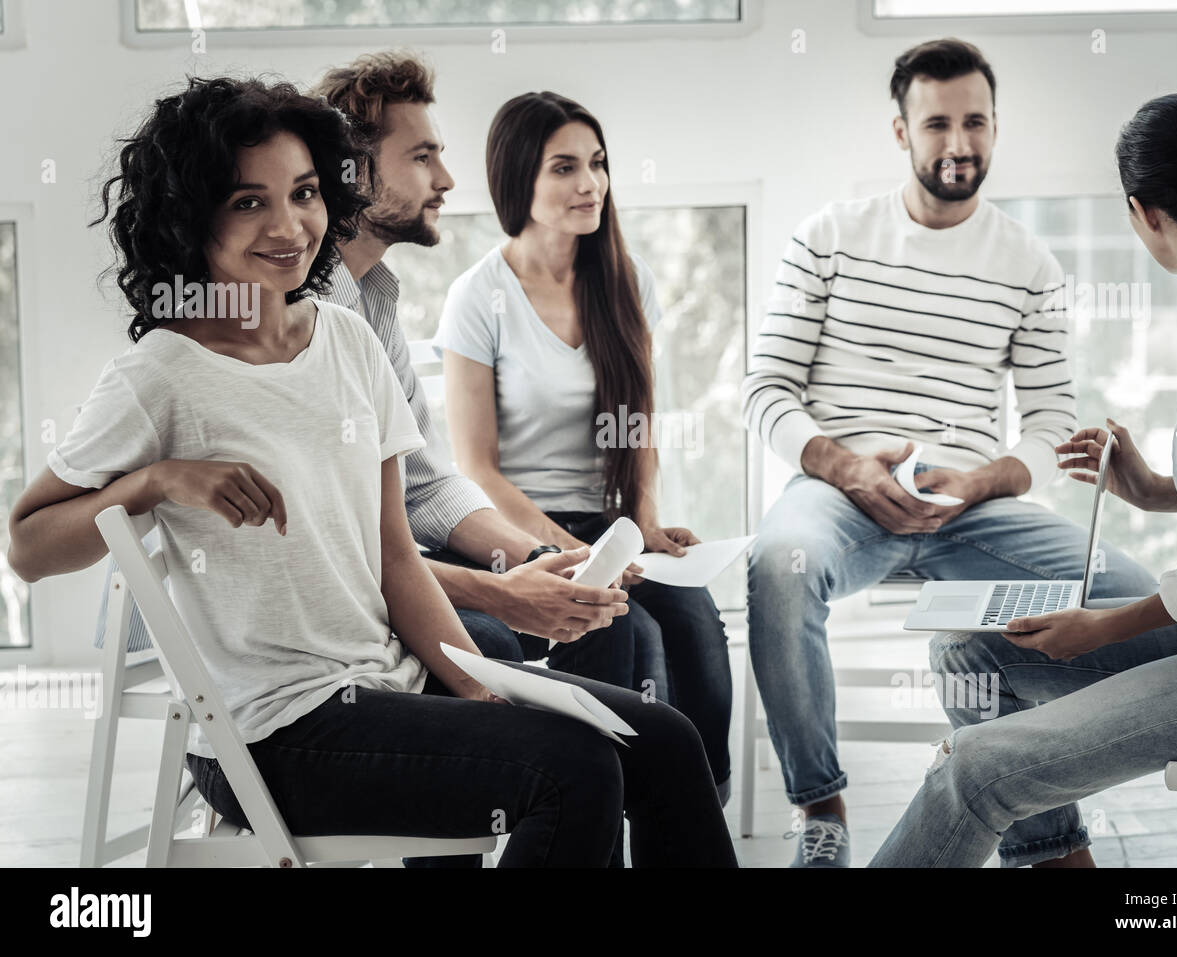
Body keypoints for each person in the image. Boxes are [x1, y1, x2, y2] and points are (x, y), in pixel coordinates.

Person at [6, 75, 737, 868]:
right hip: (274, 731)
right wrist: (154, 482)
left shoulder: (347, 341)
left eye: (306, 193)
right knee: (574, 770)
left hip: (390, 682)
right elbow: (28, 546)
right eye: (250, 202)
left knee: (661, 737)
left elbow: (394, 557)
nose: (290, 227)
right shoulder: (161, 374)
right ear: (192, 215)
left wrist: (480, 680)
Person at [91, 54, 664, 706]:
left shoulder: (370, 304)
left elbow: (424, 484)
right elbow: (336, 545)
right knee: (512, 644)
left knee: (615, 620)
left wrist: (529, 557)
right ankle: (548, 779)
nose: (446, 179)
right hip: (242, 628)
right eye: (422, 157)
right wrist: (500, 591)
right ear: (351, 171)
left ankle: (585, 782)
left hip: (350, 576)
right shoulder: (287, 313)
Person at [741, 37, 1156, 867]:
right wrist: (848, 466)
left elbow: (1046, 425)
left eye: (976, 122)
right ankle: (822, 809)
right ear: (901, 132)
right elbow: (766, 393)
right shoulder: (829, 236)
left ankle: (1035, 822)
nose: (959, 144)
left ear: (996, 127)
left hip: (975, 505)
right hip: (842, 494)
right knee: (777, 564)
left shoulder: (1028, 263)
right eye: (937, 124)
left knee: (1131, 594)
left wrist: (980, 480)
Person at [870, 90, 1177, 868]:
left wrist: (1104, 626)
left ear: (1145, 214)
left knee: (973, 771)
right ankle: (1061, 860)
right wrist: (1153, 489)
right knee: (968, 655)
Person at [434, 91, 734, 804]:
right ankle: (613, 808)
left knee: (697, 629)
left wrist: (645, 520)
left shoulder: (626, 281)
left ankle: (695, 806)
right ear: (519, 182)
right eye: (564, 167)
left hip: (614, 522)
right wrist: (559, 549)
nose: (590, 183)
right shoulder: (478, 296)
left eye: (597, 164)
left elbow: (641, 426)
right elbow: (476, 465)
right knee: (639, 642)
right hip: (512, 525)